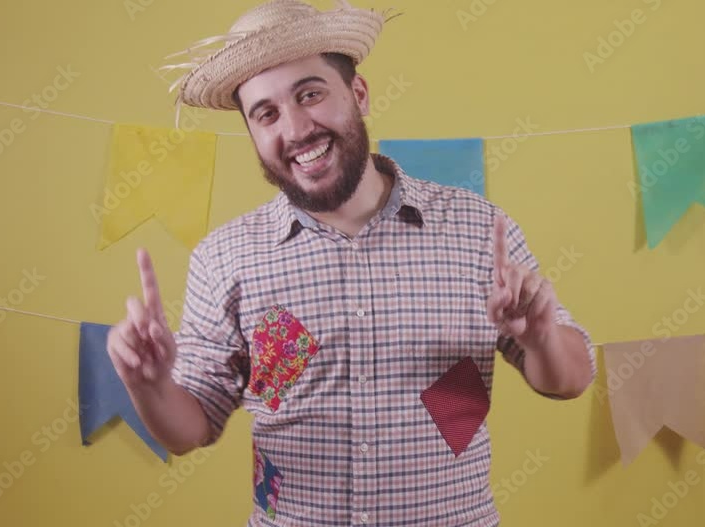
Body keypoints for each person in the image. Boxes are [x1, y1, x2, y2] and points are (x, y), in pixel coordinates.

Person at [106, 1, 596, 525]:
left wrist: (540, 337)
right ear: (252, 133)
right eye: (266, 114)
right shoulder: (226, 257)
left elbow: (570, 379)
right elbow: (192, 428)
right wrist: (150, 385)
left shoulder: (477, 229)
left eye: (310, 94)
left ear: (358, 94)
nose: (295, 129)